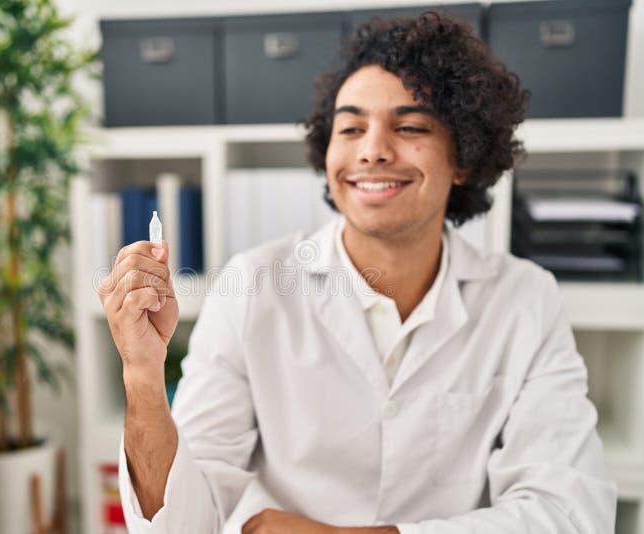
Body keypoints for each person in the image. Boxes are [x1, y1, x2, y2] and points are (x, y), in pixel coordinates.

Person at [98, 11, 617, 534]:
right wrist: (142, 376)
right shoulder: (253, 287)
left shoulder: (524, 298)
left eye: (409, 126)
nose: (372, 149)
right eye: (350, 127)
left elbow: (571, 511)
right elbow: (184, 522)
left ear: (462, 158)